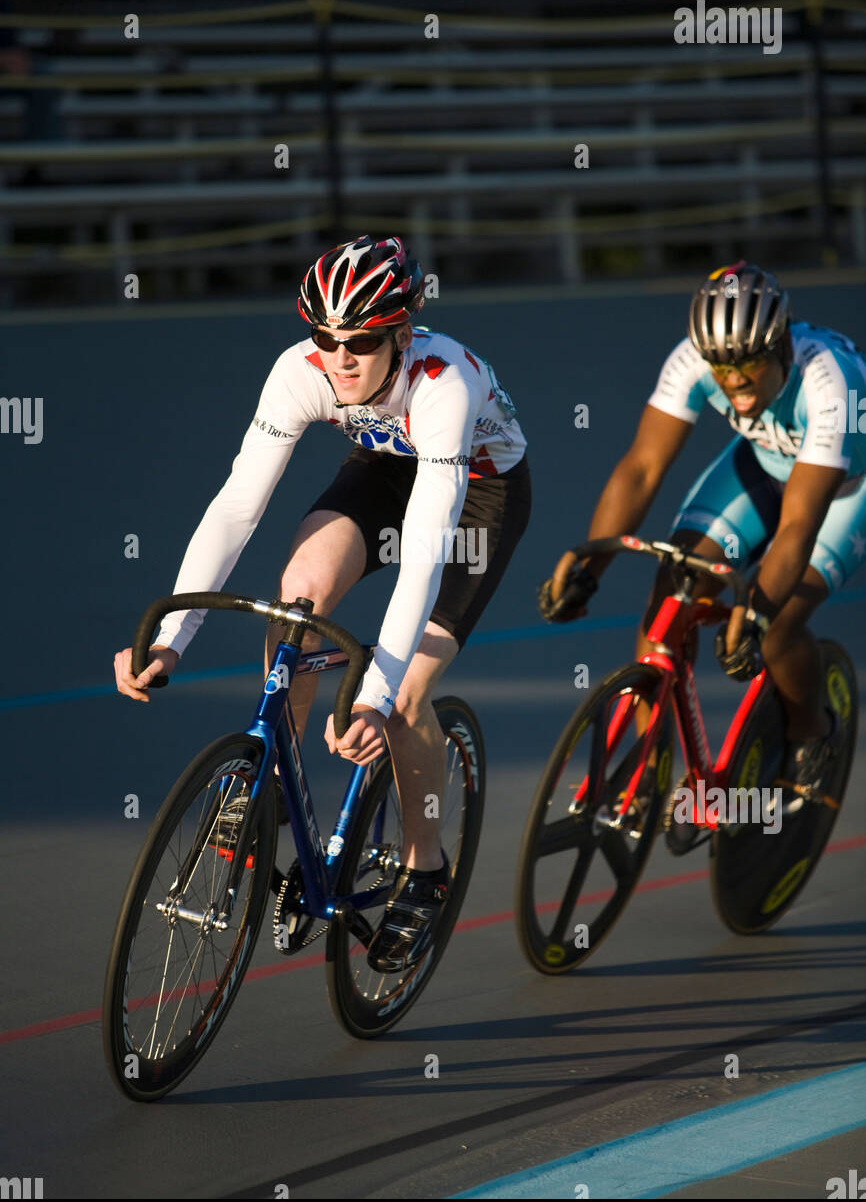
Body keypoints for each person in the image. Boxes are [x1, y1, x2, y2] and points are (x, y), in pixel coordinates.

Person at [114, 235, 531, 970]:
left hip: (475, 493)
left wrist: (376, 690)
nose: (340, 358)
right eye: (324, 337)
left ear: (402, 335)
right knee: (296, 599)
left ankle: (424, 868)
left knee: (404, 701)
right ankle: (273, 785)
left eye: (362, 342)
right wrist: (171, 636)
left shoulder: (445, 384)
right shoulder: (299, 372)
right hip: (382, 466)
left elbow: (425, 558)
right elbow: (236, 508)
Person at [539, 260, 866, 830]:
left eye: (749, 364)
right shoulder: (694, 357)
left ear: (782, 344)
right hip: (764, 466)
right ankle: (655, 763)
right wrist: (590, 562)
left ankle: (813, 735)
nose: (734, 379)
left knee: (782, 618)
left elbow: (797, 528)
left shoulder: (830, 383)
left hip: (842, 493)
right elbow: (641, 469)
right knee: (674, 590)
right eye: (721, 367)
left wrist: (757, 613)